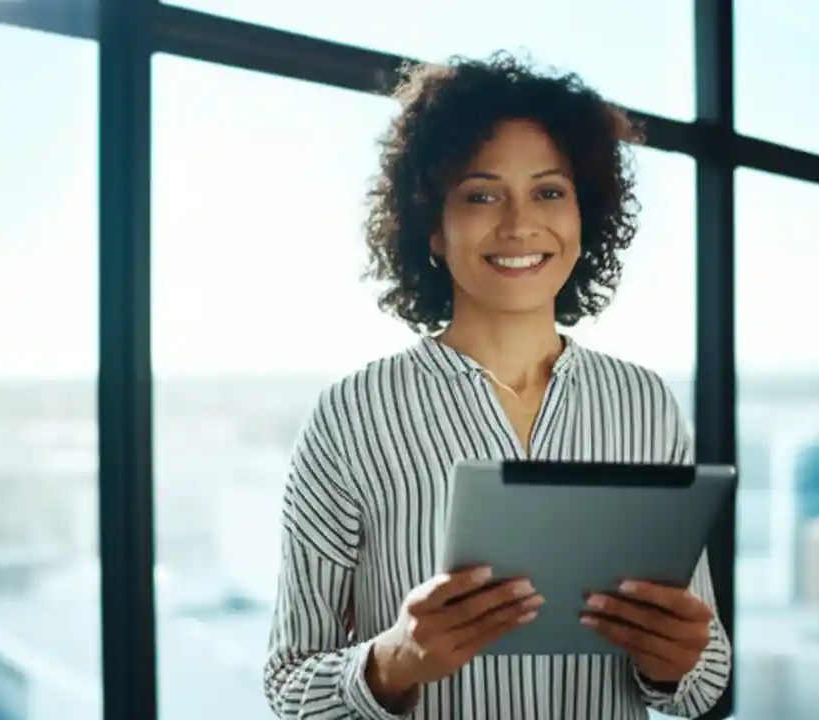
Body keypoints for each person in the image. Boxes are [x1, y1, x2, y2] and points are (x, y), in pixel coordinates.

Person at [263, 52, 731, 720]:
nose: (518, 225)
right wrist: (396, 659)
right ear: (432, 225)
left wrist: (679, 659)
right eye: (481, 195)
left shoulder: (644, 403)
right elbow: (288, 685)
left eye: (548, 192)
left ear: (582, 217)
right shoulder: (352, 415)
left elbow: (704, 676)